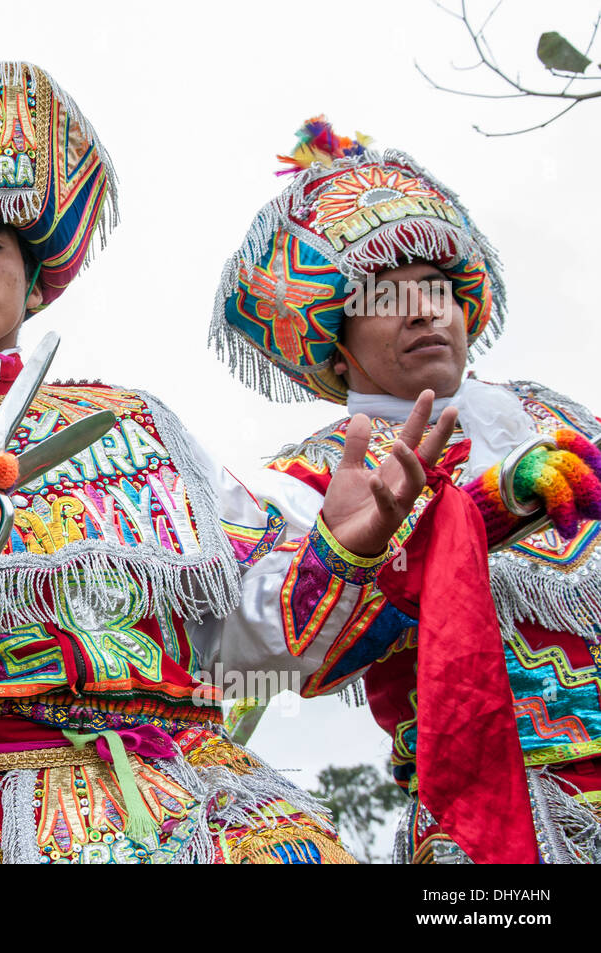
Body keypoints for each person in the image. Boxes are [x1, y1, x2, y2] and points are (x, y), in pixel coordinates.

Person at [0, 45, 451, 864]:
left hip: (203, 804)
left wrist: (340, 548)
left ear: (34, 278)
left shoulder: (143, 424)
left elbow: (254, 652)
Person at [211, 118, 601, 863]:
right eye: (386, 297)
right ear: (336, 334)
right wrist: (464, 512)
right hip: (504, 823)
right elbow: (262, 659)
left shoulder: (564, 419)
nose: (424, 310)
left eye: (437, 291)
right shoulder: (307, 482)